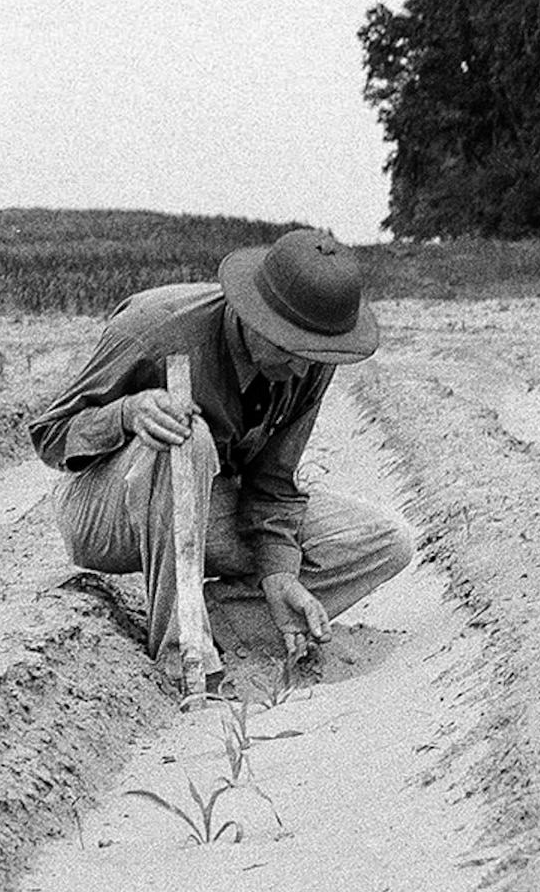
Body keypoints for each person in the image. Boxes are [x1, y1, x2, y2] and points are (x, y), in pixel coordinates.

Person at [27, 227, 415, 671]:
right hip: (105, 512)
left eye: (317, 353)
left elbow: (272, 484)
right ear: (252, 315)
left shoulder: (308, 362)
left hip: (208, 501)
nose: (302, 367)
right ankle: (183, 653)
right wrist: (128, 414)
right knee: (188, 436)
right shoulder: (152, 329)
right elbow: (50, 435)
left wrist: (279, 574)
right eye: (291, 347)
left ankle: (217, 623)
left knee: (386, 541)